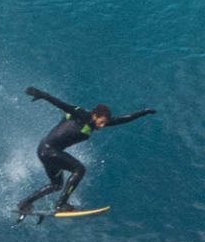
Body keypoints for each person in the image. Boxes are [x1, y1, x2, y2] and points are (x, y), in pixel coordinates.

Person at [16, 86, 155, 219]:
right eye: (101, 122)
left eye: (104, 123)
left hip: (45, 151)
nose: (102, 126)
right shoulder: (82, 115)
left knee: (56, 185)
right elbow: (64, 106)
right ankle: (61, 205)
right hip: (49, 151)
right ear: (95, 115)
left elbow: (122, 119)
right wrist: (44, 95)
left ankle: (25, 202)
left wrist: (144, 112)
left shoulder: (96, 122)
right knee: (79, 169)